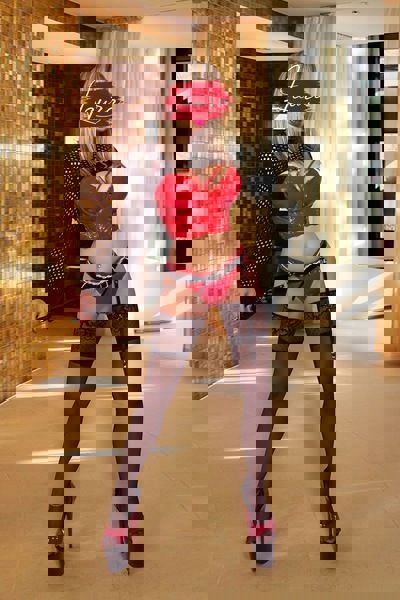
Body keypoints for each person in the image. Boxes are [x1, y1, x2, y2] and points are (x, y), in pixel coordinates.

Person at [255, 52, 340, 559]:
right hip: (290, 284)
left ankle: (328, 506)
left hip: (315, 281)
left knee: (327, 393)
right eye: (292, 100)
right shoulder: (270, 163)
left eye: (305, 101)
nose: (299, 109)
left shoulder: (311, 157)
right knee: (279, 394)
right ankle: (262, 509)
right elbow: (262, 230)